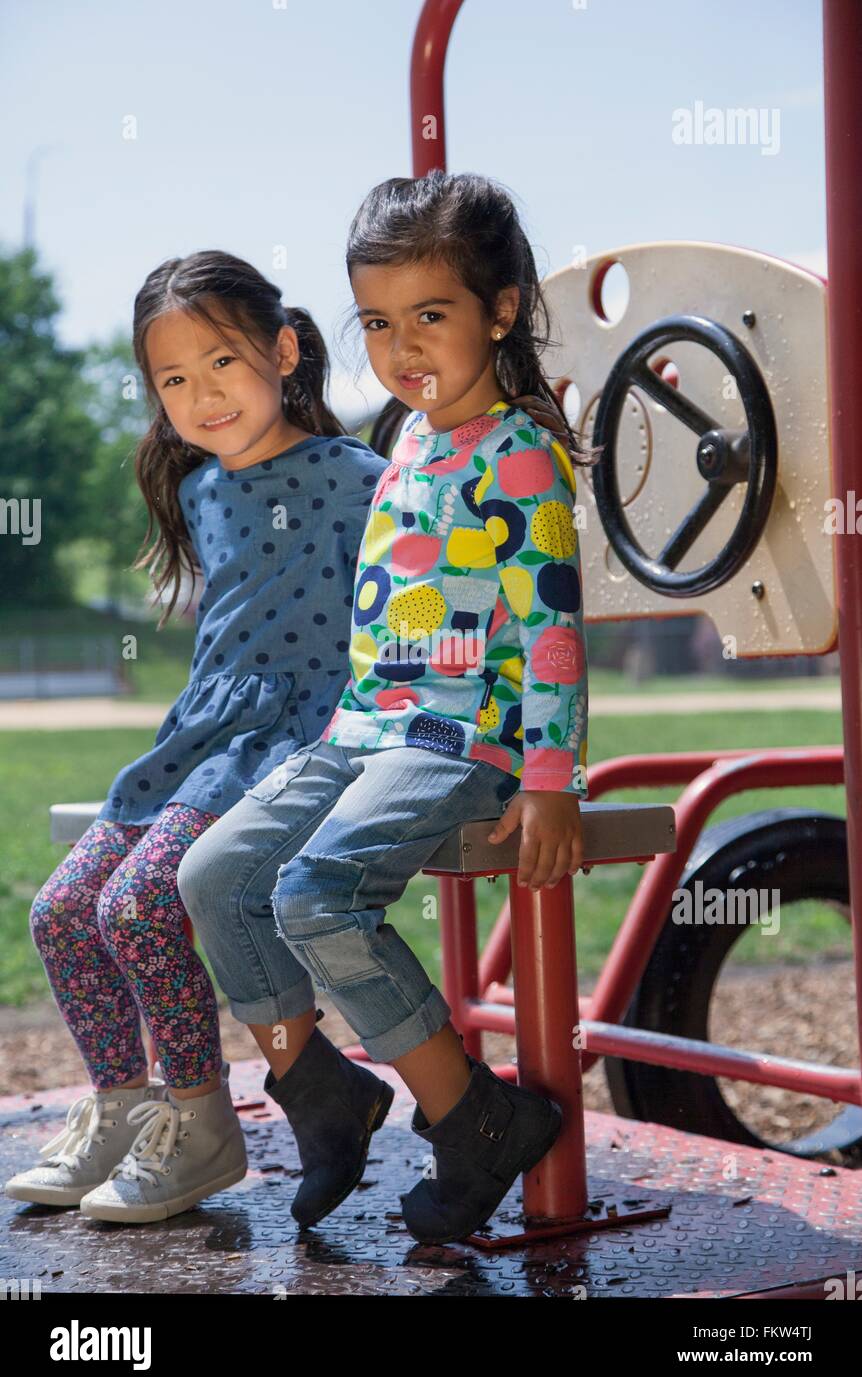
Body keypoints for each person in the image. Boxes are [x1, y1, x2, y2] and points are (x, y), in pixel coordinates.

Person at [177, 171, 598, 1245]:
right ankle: (325, 1091)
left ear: (498, 311)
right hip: (363, 732)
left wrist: (552, 779)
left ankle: (471, 1115)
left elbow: (551, 632)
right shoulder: (405, 439)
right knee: (215, 875)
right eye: (377, 321)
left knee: (317, 894)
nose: (403, 347)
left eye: (430, 316)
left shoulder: (521, 457)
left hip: (463, 738)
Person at [5, 250, 387, 1223]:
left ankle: (202, 1123)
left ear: (285, 349)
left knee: (140, 903)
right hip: (206, 736)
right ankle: (128, 1112)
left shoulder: (361, 482)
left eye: (220, 362)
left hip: (301, 737)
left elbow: (402, 621)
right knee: (61, 912)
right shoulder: (204, 489)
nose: (201, 395)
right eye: (173, 379)